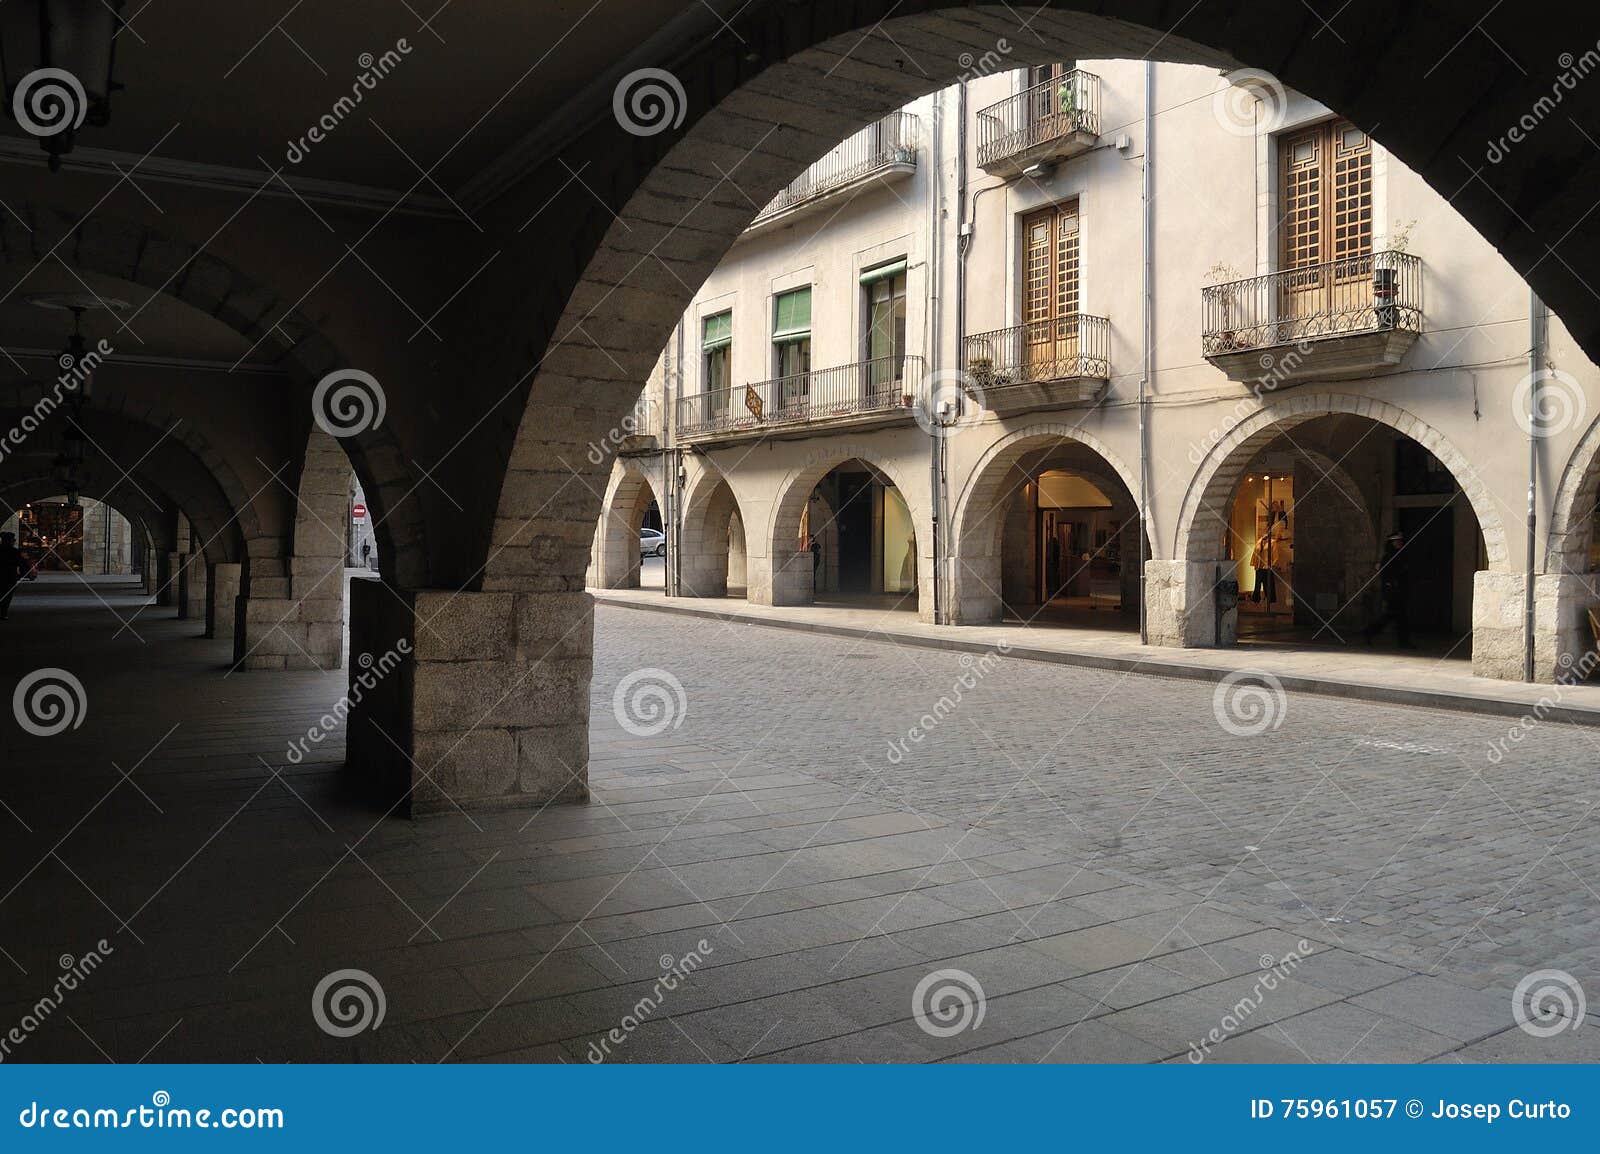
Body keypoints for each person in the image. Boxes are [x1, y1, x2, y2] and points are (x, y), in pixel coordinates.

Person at [1363, 530, 1414, 648]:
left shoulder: (1400, 555)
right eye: (1396, 541)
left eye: (1400, 541)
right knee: (1394, 617)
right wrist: (1392, 587)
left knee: (1397, 617)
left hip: (1400, 591)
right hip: (1393, 592)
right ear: (1391, 543)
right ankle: (1370, 632)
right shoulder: (1389, 557)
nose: (1399, 543)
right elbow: (1386, 575)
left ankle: (1403, 641)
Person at [0, 531, 24, 621]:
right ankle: (3, 612)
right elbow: (20, 563)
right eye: (13, 540)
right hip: (10, 576)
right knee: (7, 595)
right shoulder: (14, 551)